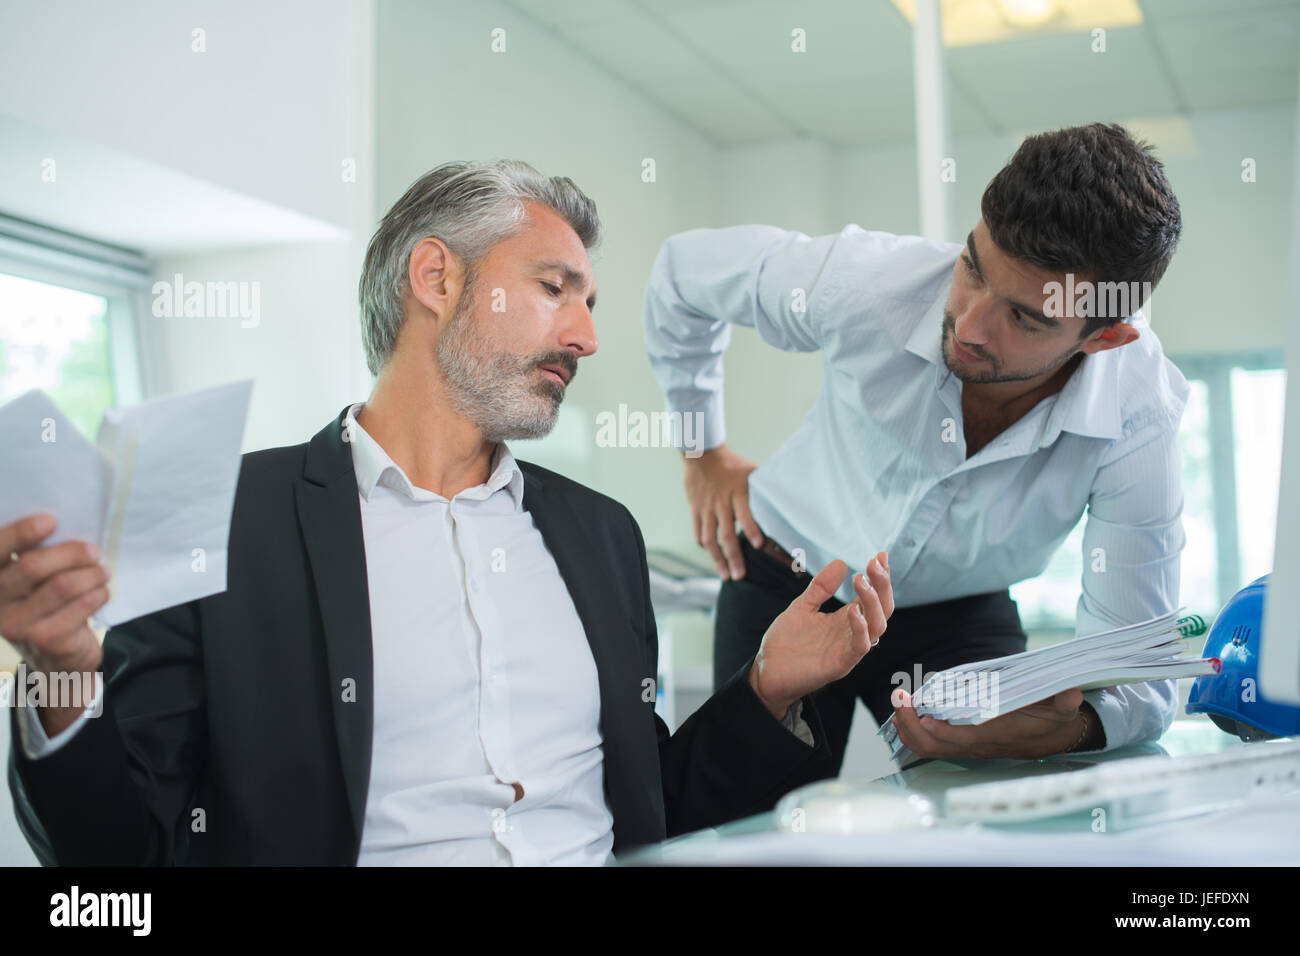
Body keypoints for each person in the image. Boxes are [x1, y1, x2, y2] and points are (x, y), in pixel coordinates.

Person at [1, 159, 894, 866]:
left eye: (588, 302)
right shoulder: (228, 516)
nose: (585, 335)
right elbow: (119, 858)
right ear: (436, 276)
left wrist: (770, 684)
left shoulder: (600, 534)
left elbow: (647, 809)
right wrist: (64, 676)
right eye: (555, 288)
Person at [642, 123, 1187, 773]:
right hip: (789, 574)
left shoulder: (1140, 414)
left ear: (1104, 338)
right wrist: (702, 452)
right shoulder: (860, 282)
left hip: (958, 608)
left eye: (1024, 318)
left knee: (994, 802)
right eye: (973, 269)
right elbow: (681, 276)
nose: (970, 326)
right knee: (742, 802)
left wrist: (1067, 730)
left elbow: (1140, 673)